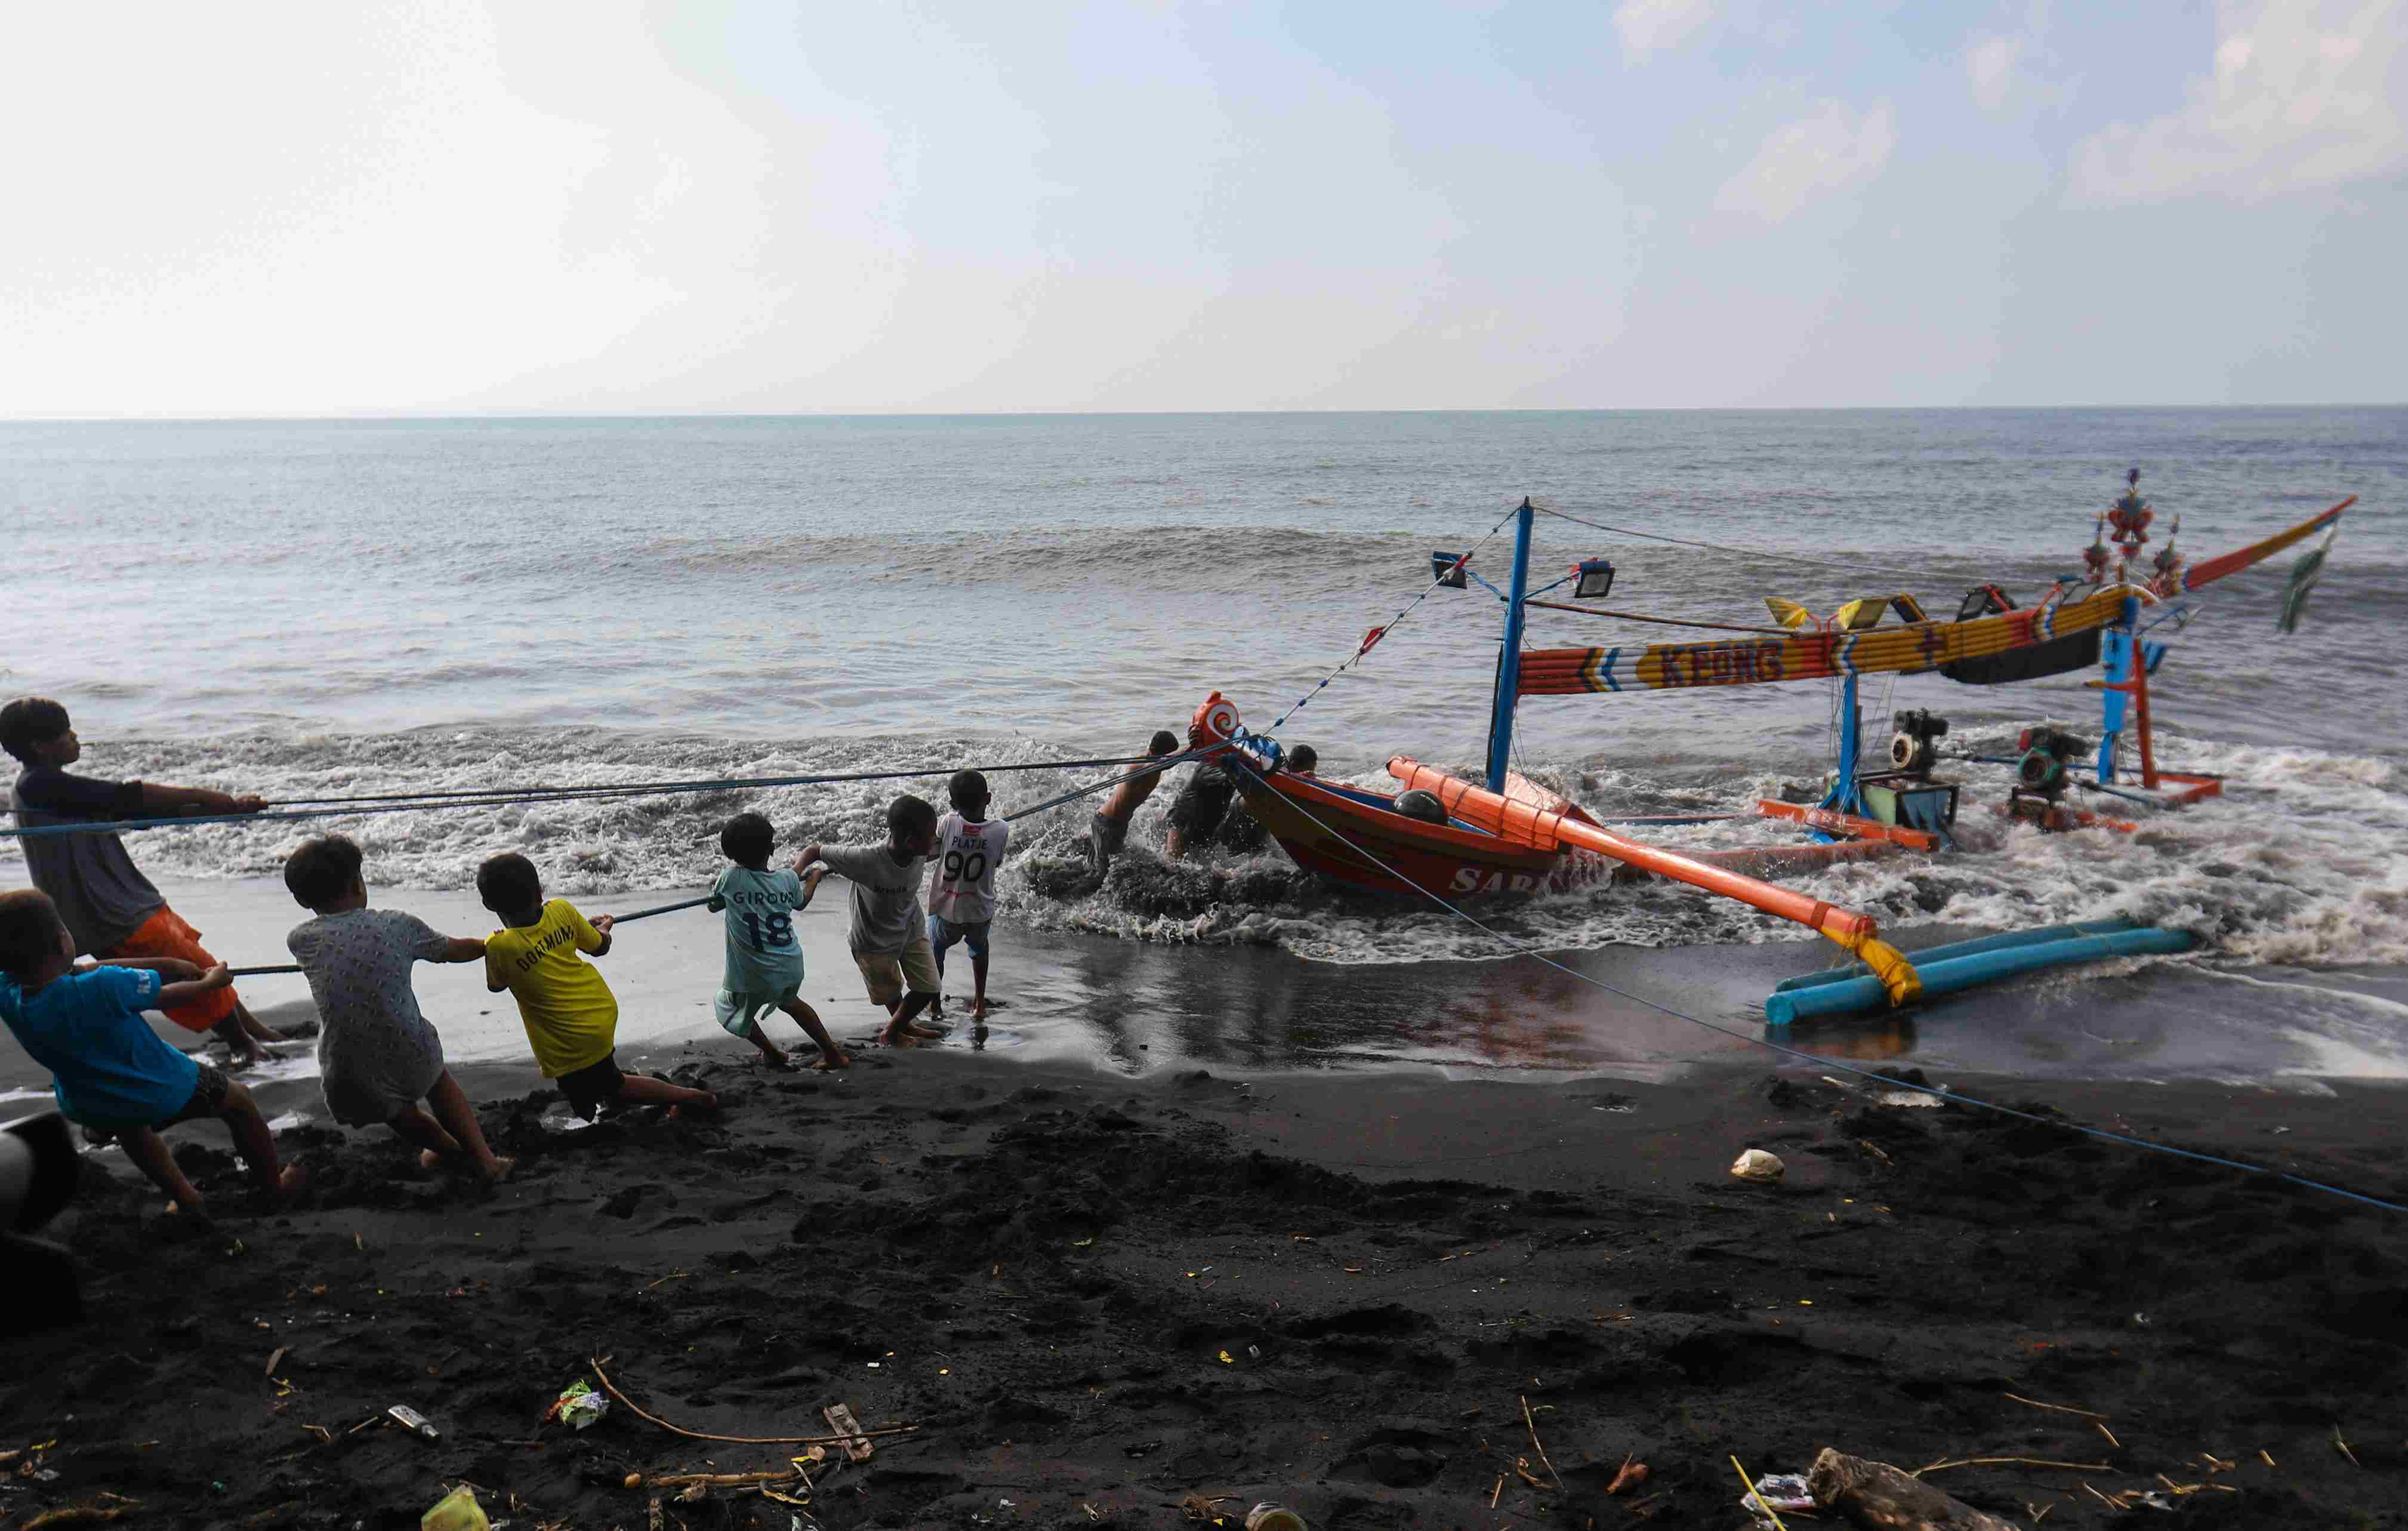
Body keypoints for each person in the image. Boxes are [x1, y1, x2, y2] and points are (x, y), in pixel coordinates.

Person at [2, 697, 295, 1066]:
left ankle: (252, 1030)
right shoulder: (38, 784)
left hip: (122, 893)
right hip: (102, 906)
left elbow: (126, 809)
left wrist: (215, 809)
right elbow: (128, 796)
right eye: (64, 733)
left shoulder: (49, 786)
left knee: (191, 953)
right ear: (39, 747)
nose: (76, 737)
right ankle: (243, 1044)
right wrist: (217, 799)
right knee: (181, 963)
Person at [0, 889, 304, 1220]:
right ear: (62, 943)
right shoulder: (102, 987)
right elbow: (166, 996)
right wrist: (210, 983)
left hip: (90, 1099)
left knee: (134, 1132)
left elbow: (86, 970)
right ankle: (273, 1187)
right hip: (159, 1086)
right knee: (240, 1102)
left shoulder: (9, 990)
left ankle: (188, 1199)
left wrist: (168, 963)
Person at [281, 835, 511, 1182]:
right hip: (408, 1043)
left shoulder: (300, 940)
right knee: (439, 1083)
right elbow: (452, 950)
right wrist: (493, 945)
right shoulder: (398, 925)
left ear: (301, 900)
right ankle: (484, 1159)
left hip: (350, 1063)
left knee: (397, 1111)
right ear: (359, 883)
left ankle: (450, 1151)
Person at [476, 852, 716, 1120]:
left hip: (567, 1037)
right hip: (597, 1010)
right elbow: (600, 946)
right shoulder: (562, 910)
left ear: (488, 904)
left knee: (612, 1086)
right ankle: (598, 1106)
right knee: (594, 1083)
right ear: (540, 891)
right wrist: (604, 927)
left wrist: (491, 945)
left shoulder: (499, 946)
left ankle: (691, 1097)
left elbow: (496, 985)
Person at [705, 812, 848, 1073]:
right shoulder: (786, 879)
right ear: (771, 849)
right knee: (790, 1002)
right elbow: (800, 901)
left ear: (730, 854)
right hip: (790, 965)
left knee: (728, 1006)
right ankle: (832, 1053)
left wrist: (721, 900)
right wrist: (814, 880)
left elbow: (713, 906)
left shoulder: (730, 879)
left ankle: (771, 1052)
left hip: (752, 974)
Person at [801, 794, 943, 1049]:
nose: (935, 840)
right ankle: (899, 1028)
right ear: (911, 842)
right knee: (890, 991)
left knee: (929, 986)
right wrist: (794, 874)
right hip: (872, 939)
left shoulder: (922, 849)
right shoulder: (866, 860)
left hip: (911, 929)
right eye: (932, 835)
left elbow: (946, 843)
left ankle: (893, 1029)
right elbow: (814, 852)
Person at [925, 771, 1009, 1025]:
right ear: (989, 798)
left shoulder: (948, 822)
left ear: (952, 804)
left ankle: (935, 1003)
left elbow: (933, 847)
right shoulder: (1002, 829)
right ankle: (980, 1003)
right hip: (979, 912)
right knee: (979, 950)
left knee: (935, 953)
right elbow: (997, 862)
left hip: (947, 910)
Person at [1091, 730, 1177, 875]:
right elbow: (1161, 765)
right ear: (1162, 754)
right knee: (1102, 875)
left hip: (1119, 825)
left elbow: (1166, 763)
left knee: (1113, 871)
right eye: (1168, 754)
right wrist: (1186, 751)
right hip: (1106, 824)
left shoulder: (1157, 764)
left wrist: (1194, 749)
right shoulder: (1140, 766)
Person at [1163, 753, 1237, 861]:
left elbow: (1176, 821)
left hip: (1206, 784)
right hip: (1212, 791)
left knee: (1173, 855)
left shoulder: (1178, 822)